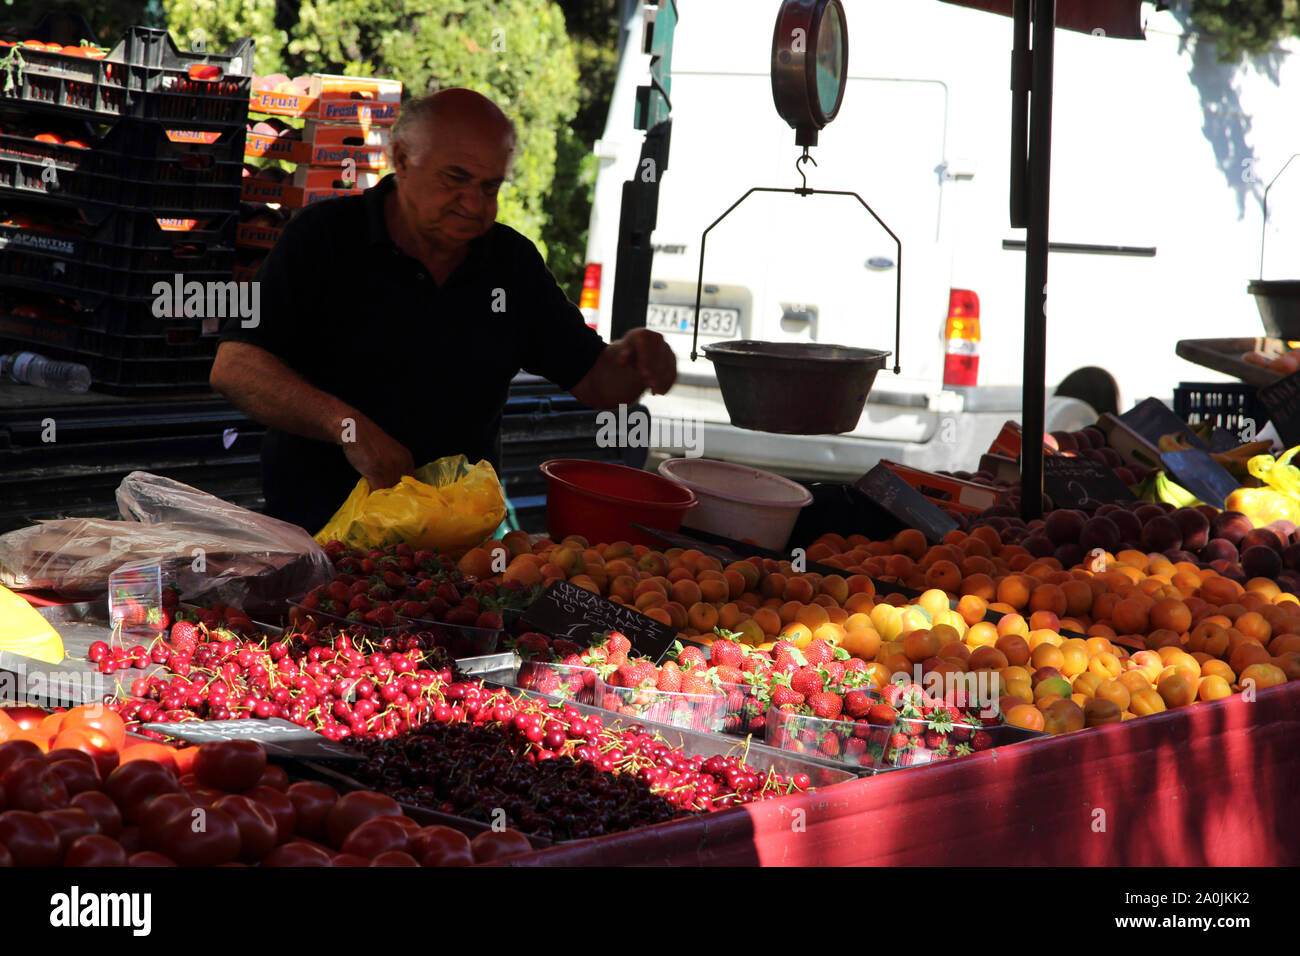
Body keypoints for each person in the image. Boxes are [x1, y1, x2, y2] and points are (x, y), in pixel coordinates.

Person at [211, 89, 676, 533]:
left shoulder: (510, 265)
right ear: (402, 160)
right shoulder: (324, 239)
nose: (474, 204)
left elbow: (596, 381)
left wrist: (635, 359)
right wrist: (347, 428)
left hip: (456, 552)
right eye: (454, 180)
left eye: (490, 186)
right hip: (319, 538)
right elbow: (235, 367)